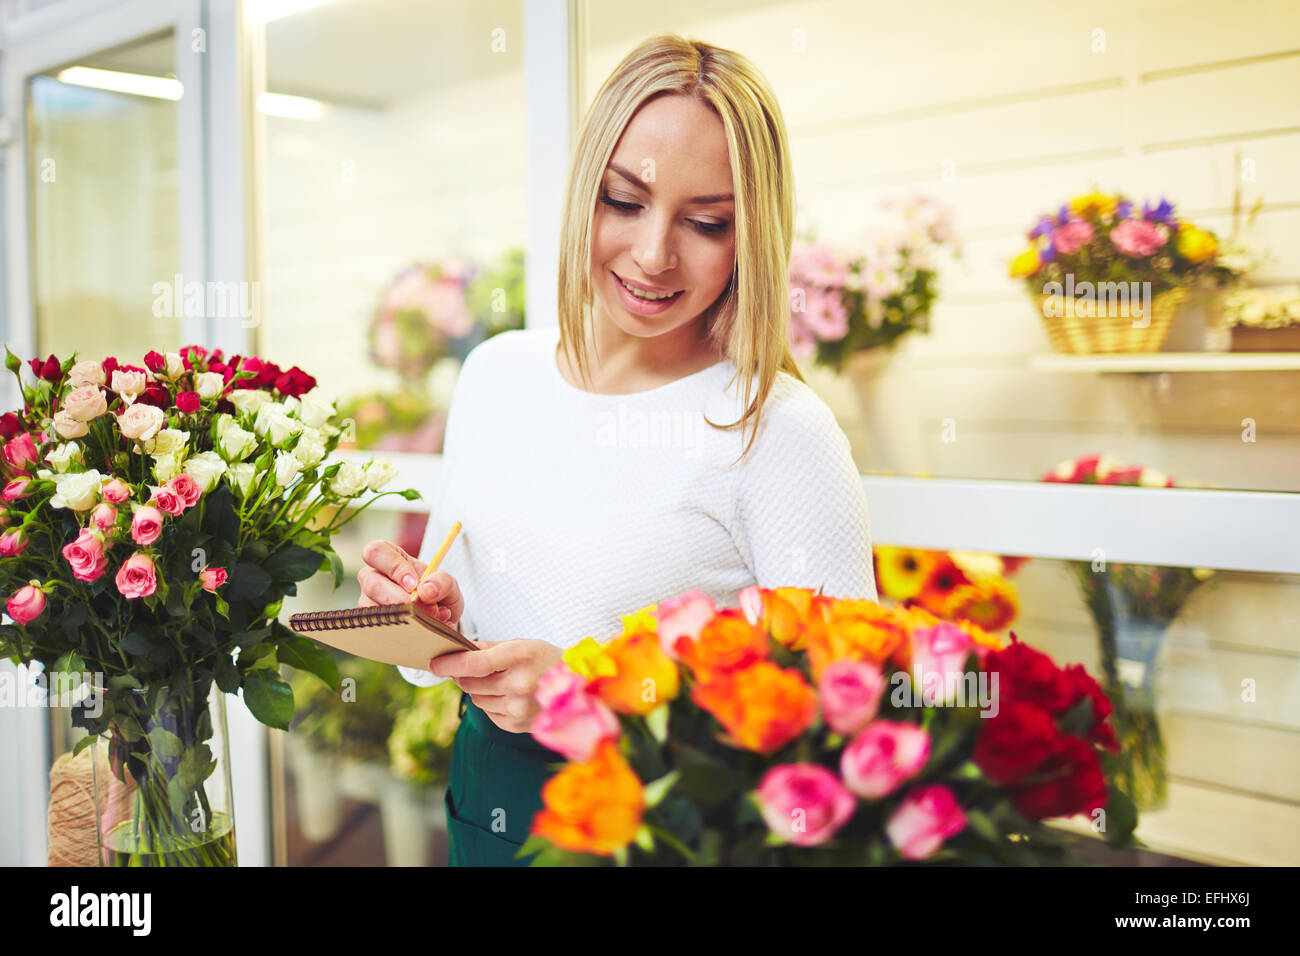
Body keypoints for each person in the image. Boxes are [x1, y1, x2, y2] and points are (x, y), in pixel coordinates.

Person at [356, 32, 877, 867]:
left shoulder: (775, 428)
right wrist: (431, 621)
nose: (652, 253)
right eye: (623, 201)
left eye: (706, 222)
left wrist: (597, 691)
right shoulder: (497, 374)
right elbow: (449, 649)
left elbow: (849, 723)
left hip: (666, 827)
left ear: (753, 238)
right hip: (490, 795)